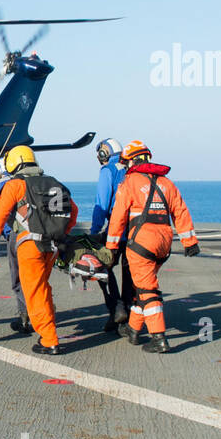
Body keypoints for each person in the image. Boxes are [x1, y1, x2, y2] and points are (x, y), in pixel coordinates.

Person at [0, 145, 78, 355]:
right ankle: (49, 326)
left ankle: (49, 339)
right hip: (53, 246)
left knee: (34, 292)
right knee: (43, 287)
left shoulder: (15, 185)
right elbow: (73, 211)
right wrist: (61, 233)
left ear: (13, 163)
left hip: (29, 245)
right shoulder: (54, 182)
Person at [105, 140, 199, 354]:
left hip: (141, 243)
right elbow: (181, 212)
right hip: (164, 243)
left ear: (130, 161)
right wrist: (190, 242)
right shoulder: (167, 183)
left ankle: (159, 338)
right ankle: (133, 329)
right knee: (142, 286)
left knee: (148, 290)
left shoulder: (129, 183)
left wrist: (111, 247)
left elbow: (118, 217)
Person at [90, 137, 135, 332]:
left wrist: (94, 231)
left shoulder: (107, 171)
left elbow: (101, 203)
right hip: (137, 231)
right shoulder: (131, 170)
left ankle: (116, 308)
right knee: (129, 274)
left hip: (117, 230)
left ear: (103, 154)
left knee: (103, 267)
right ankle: (127, 315)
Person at [0, 157, 30, 334]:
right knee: (35, 278)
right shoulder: (28, 183)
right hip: (40, 235)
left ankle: (26, 316)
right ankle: (36, 313)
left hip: (15, 236)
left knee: (18, 280)